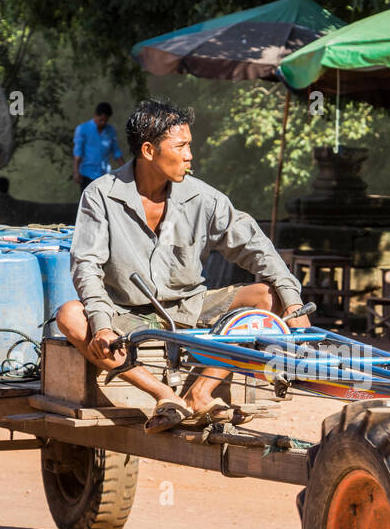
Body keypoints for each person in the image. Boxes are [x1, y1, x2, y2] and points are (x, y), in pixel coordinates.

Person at [56, 99, 311, 432]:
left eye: (189, 145)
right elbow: (86, 264)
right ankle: (163, 395)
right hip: (126, 310)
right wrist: (103, 324)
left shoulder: (203, 197)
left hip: (191, 305)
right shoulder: (101, 194)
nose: (190, 155)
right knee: (70, 316)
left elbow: (256, 248)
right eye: (181, 146)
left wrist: (292, 301)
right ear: (148, 150)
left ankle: (199, 394)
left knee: (269, 299)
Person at [73, 102, 124, 192]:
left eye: (105, 121)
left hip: (104, 174)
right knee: (88, 203)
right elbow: (78, 153)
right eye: (101, 120)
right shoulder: (83, 129)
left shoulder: (110, 131)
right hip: (87, 174)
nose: (103, 123)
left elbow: (116, 152)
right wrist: (76, 172)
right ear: (95, 115)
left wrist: (124, 169)